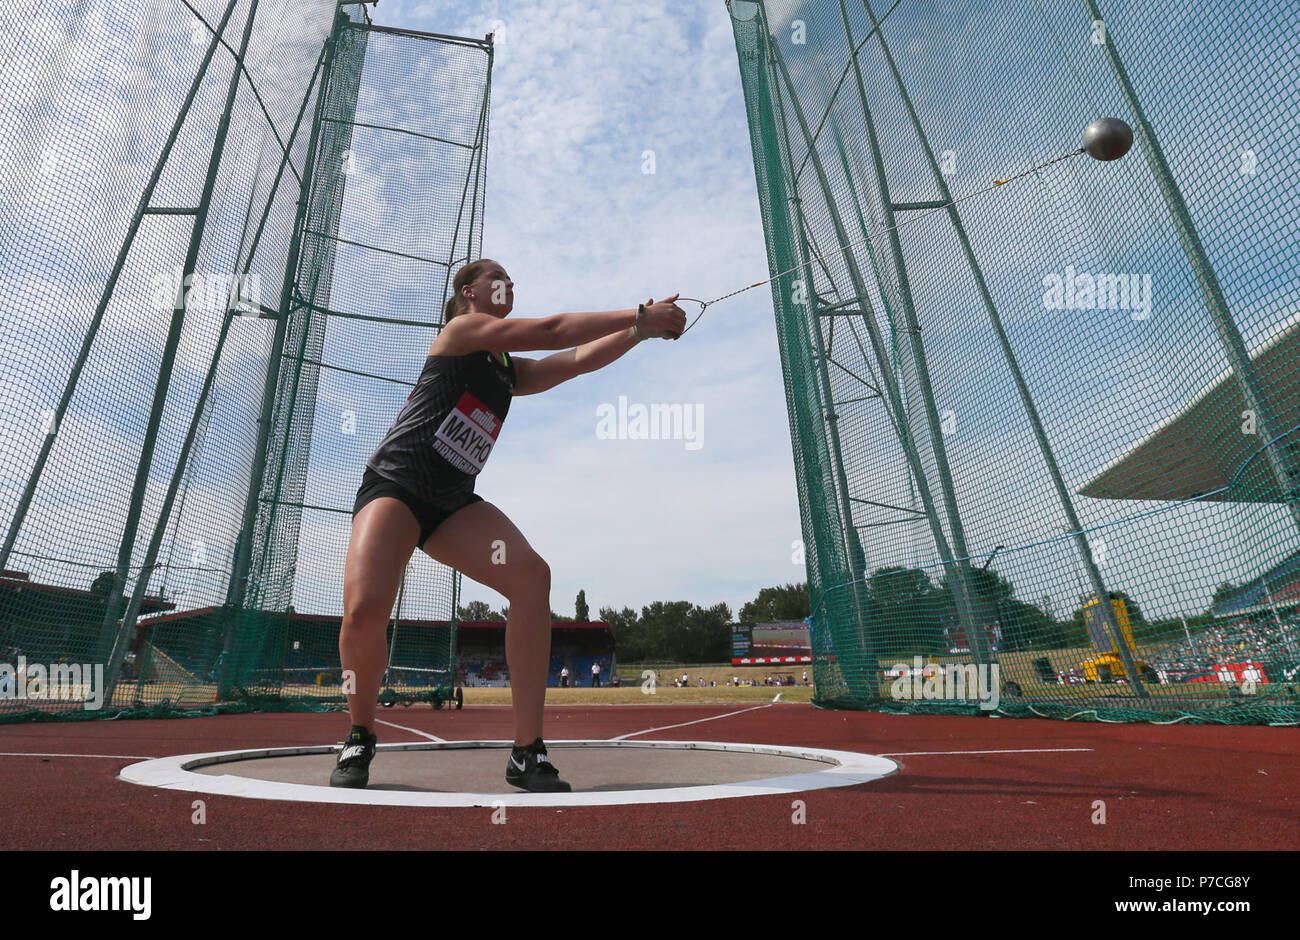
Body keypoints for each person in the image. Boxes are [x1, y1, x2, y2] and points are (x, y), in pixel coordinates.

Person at [332, 259, 685, 792]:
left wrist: (638, 330)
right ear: (469, 291)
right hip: (397, 487)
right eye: (500, 277)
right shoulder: (462, 331)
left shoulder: (507, 369)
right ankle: (360, 732)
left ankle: (526, 752)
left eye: (516, 280)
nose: (511, 285)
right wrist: (638, 310)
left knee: (530, 577)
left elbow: (574, 359)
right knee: (363, 611)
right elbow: (551, 330)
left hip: (452, 504)